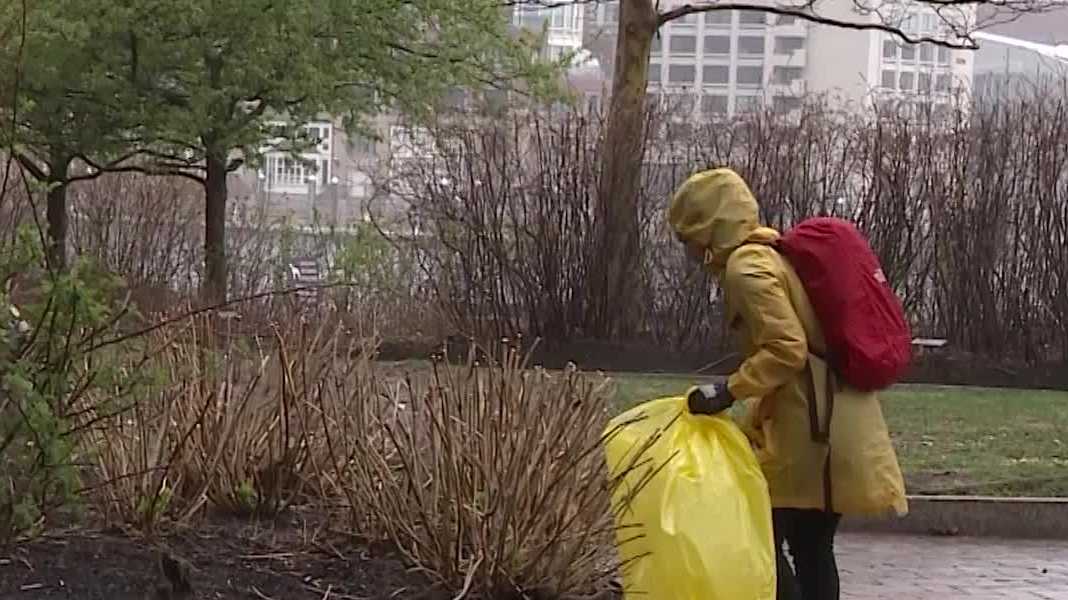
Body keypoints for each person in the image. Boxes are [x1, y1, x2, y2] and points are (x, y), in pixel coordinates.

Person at [667, 168, 908, 600]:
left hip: (809, 429)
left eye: (688, 236)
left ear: (709, 227)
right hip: (836, 420)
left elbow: (786, 348)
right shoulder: (771, 253)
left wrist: (726, 391)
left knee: (757, 536)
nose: (687, 249)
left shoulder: (747, 267)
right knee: (811, 546)